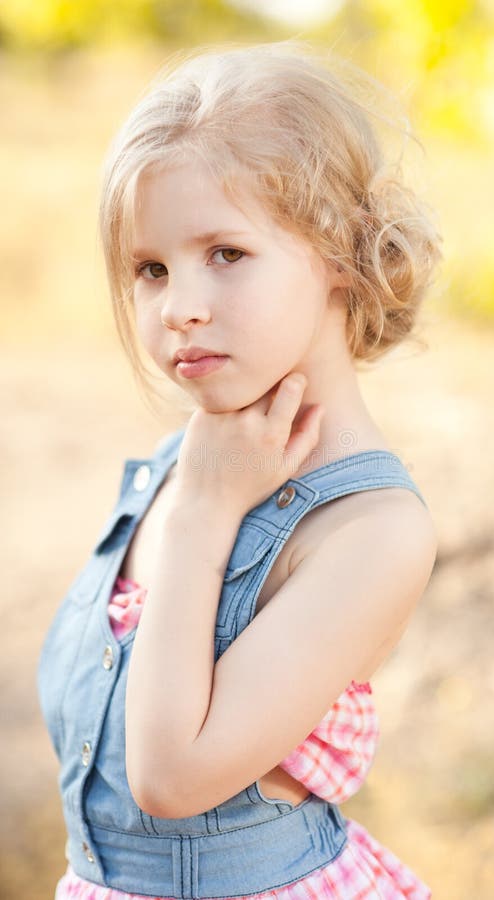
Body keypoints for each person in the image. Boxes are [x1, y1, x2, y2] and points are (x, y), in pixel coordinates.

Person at [37, 40, 442, 900]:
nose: (179, 305)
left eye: (225, 252)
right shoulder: (168, 470)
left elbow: (173, 779)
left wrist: (201, 521)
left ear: (341, 248)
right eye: (149, 269)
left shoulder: (370, 530)